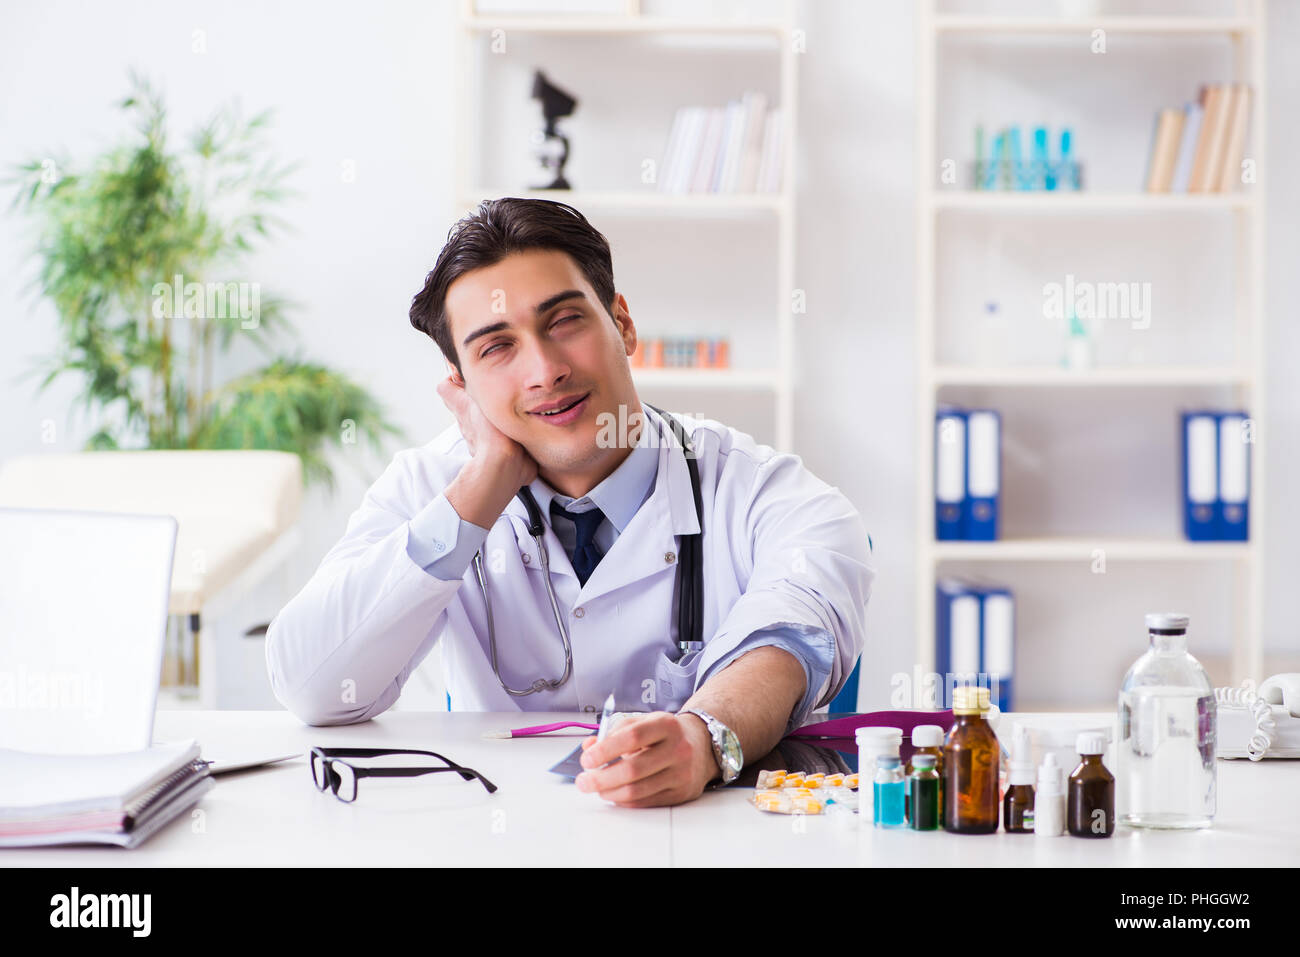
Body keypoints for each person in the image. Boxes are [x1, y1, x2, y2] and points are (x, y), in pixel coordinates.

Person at [265, 198, 874, 807]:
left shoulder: (766, 492)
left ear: (623, 324)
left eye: (564, 322)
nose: (545, 370)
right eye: (496, 348)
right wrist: (481, 490)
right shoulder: (432, 489)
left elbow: (788, 638)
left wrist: (703, 738)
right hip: (504, 828)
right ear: (460, 384)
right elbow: (313, 687)